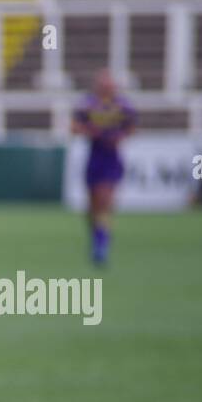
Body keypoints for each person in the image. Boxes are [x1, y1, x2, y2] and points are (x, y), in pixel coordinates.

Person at [72, 70, 136, 266]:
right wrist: (93, 132)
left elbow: (131, 128)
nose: (106, 88)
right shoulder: (88, 104)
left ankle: (102, 244)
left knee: (104, 199)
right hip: (94, 156)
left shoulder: (122, 105)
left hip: (111, 158)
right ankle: (98, 236)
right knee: (93, 206)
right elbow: (75, 127)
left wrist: (119, 137)